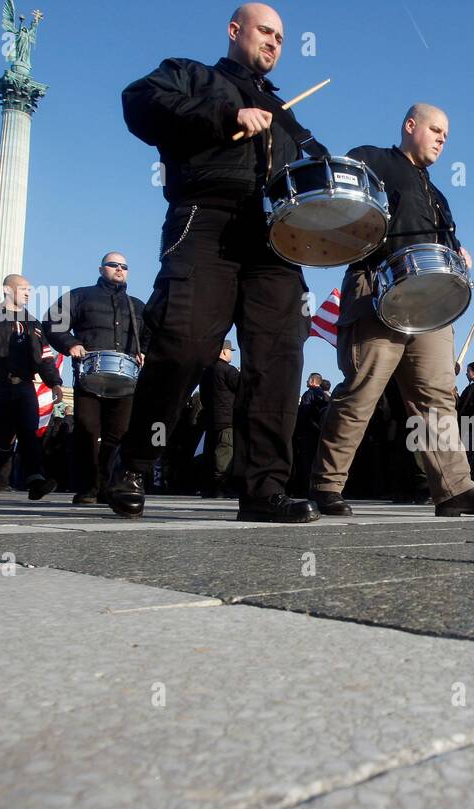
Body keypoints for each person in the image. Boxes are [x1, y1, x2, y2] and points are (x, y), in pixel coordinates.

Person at [112, 3, 329, 523]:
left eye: (281, 36)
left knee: (279, 360)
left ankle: (263, 490)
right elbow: (139, 102)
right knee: (183, 344)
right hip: (206, 220)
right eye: (265, 31)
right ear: (235, 31)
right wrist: (226, 116)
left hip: (276, 239)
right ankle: (135, 463)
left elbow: (317, 167)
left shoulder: (287, 114)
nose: (274, 42)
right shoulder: (192, 75)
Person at [307, 103, 474, 518]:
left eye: (446, 135)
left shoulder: (437, 193)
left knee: (437, 396)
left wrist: (458, 251)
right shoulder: (372, 159)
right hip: (376, 286)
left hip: (430, 302)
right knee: (362, 388)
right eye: (435, 129)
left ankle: (455, 490)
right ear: (410, 125)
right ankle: (326, 485)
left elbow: (444, 247)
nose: (441, 138)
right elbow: (342, 206)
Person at [45, 252, 145, 504]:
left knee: (118, 433)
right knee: (87, 430)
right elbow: (53, 320)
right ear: (102, 269)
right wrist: (71, 344)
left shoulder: (137, 305)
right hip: (89, 374)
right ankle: (87, 487)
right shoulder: (81, 296)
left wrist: (144, 351)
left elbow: (152, 334)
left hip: (126, 379)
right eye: (114, 265)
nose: (119, 269)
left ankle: (108, 484)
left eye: (124, 266)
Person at [0, 275, 63, 501]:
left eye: (30, 289)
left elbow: (45, 356)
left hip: (24, 385)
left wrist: (54, 382)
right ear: (8, 290)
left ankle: (36, 480)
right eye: (23, 289)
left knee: (29, 432)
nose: (28, 293)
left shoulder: (34, 324)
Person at [199, 341, 241, 498]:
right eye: (230, 351)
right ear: (223, 352)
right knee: (224, 453)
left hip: (210, 419)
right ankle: (221, 487)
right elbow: (241, 387)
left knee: (209, 453)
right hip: (226, 419)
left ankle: (208, 488)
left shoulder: (206, 371)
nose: (231, 353)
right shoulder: (227, 370)